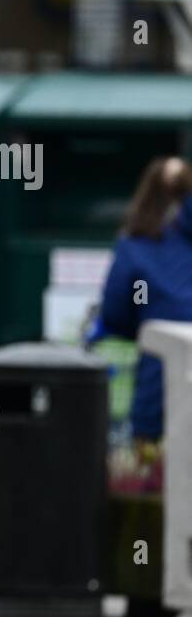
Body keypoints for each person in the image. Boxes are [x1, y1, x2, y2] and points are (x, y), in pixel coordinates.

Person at [100, 155, 192, 450]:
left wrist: (143, 331)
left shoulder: (136, 246)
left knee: (152, 474)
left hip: (158, 375)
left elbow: (115, 312)